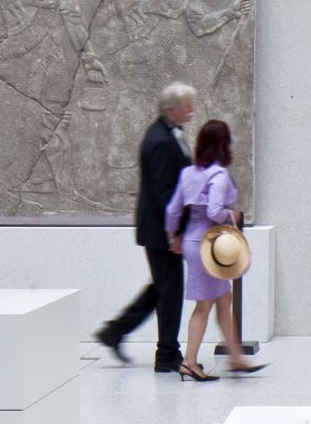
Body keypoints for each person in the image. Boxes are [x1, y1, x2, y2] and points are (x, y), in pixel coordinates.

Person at [95, 80, 196, 372]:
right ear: (172, 109)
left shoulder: (167, 134)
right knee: (170, 290)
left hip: (161, 227)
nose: (191, 111)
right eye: (186, 106)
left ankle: (114, 331)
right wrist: (174, 232)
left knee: (162, 287)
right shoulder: (162, 141)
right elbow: (166, 192)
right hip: (162, 230)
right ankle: (167, 355)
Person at [167, 118, 265, 381]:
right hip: (209, 246)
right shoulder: (218, 175)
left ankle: (235, 357)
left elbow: (172, 210)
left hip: (190, 241)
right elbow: (213, 211)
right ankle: (189, 362)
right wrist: (231, 215)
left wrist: (173, 237)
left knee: (224, 299)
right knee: (204, 305)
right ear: (224, 145)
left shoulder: (189, 173)